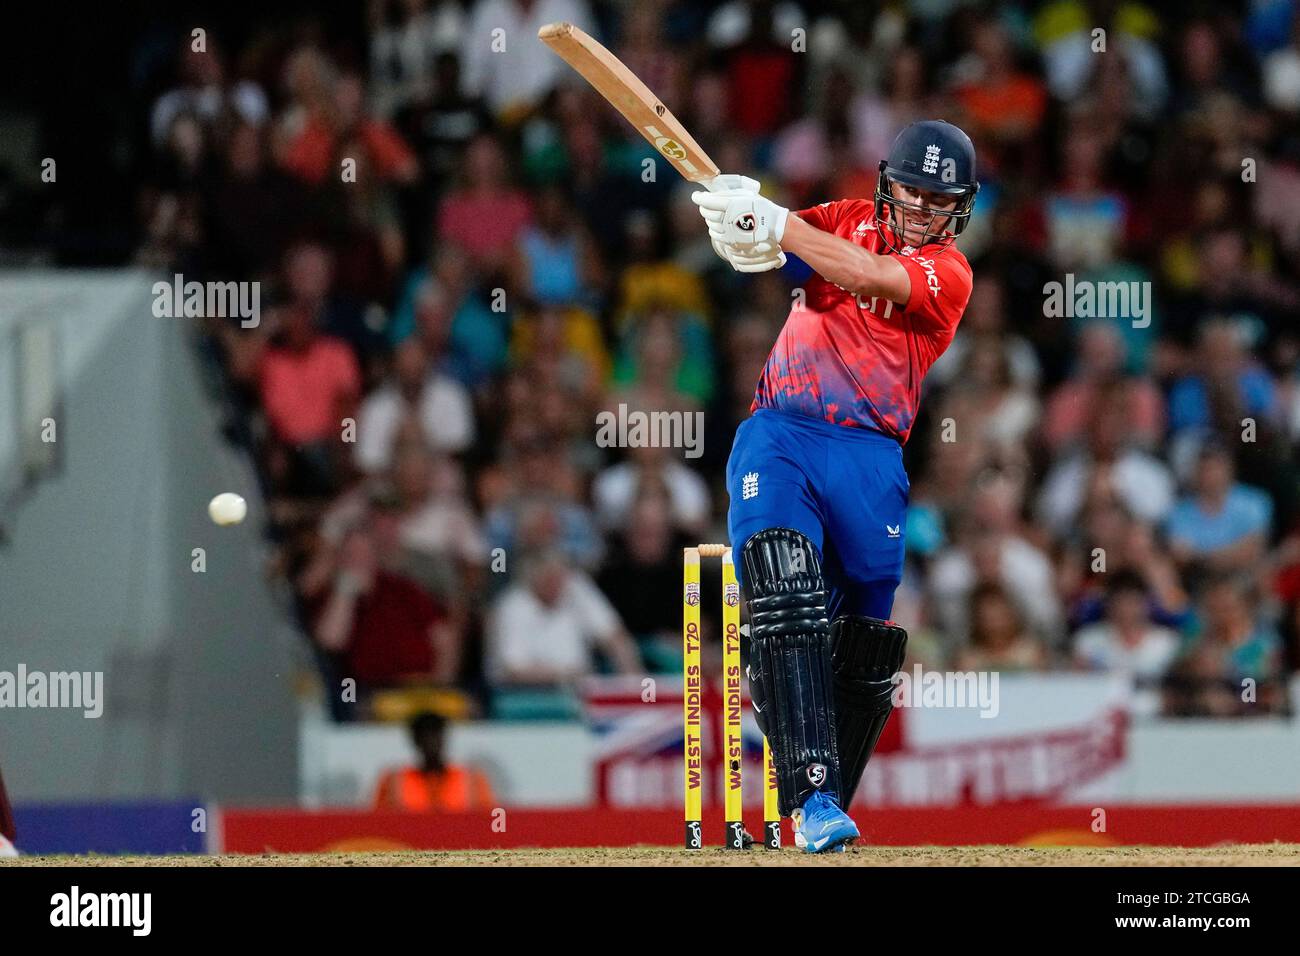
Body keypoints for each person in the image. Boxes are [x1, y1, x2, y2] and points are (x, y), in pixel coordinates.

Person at [691, 120, 979, 851]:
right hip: (781, 432)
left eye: (936, 200)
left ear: (959, 208)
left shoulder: (951, 274)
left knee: (865, 648)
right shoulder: (846, 216)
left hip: (871, 456)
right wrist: (738, 221)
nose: (919, 210)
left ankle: (808, 818)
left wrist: (779, 221)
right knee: (787, 596)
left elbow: (867, 275)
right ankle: (814, 799)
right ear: (888, 182)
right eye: (910, 191)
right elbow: (766, 255)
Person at [373, 712, 494, 811]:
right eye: (425, 736)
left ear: (444, 738)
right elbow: (377, 823)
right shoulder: (393, 781)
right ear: (415, 740)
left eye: (435, 735)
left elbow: (487, 820)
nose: (431, 742)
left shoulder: (472, 779)